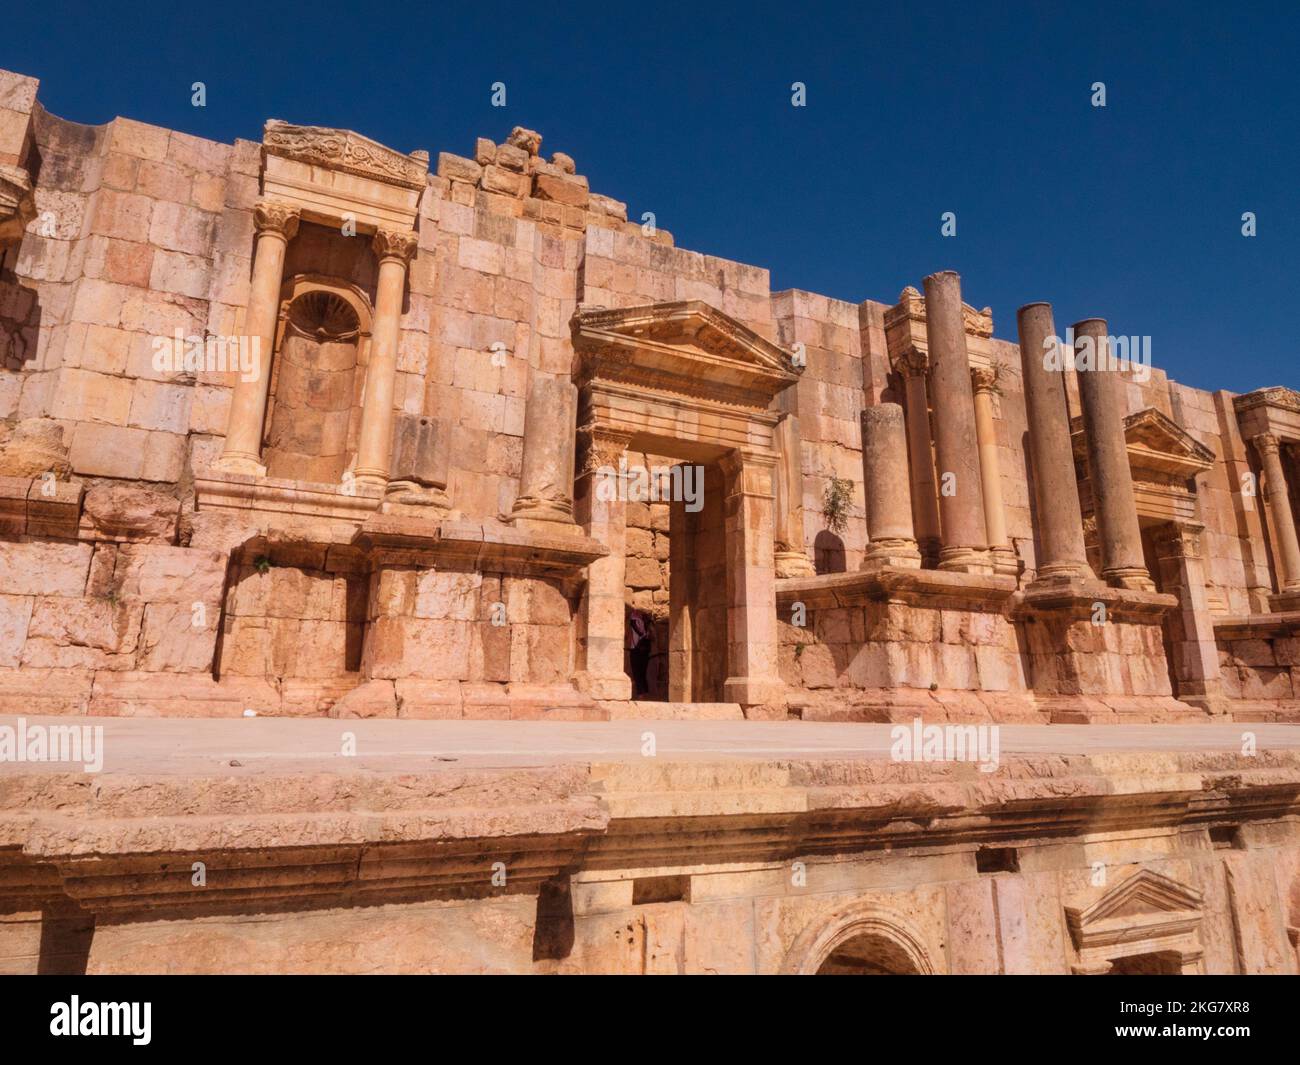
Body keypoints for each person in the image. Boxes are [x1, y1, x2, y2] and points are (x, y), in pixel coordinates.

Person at [627, 608, 653, 697]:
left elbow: (634, 625)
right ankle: (643, 691)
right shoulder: (643, 621)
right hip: (642, 649)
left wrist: (643, 634)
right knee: (641, 671)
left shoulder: (637, 619)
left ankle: (641, 692)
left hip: (637, 648)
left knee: (638, 671)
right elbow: (634, 626)